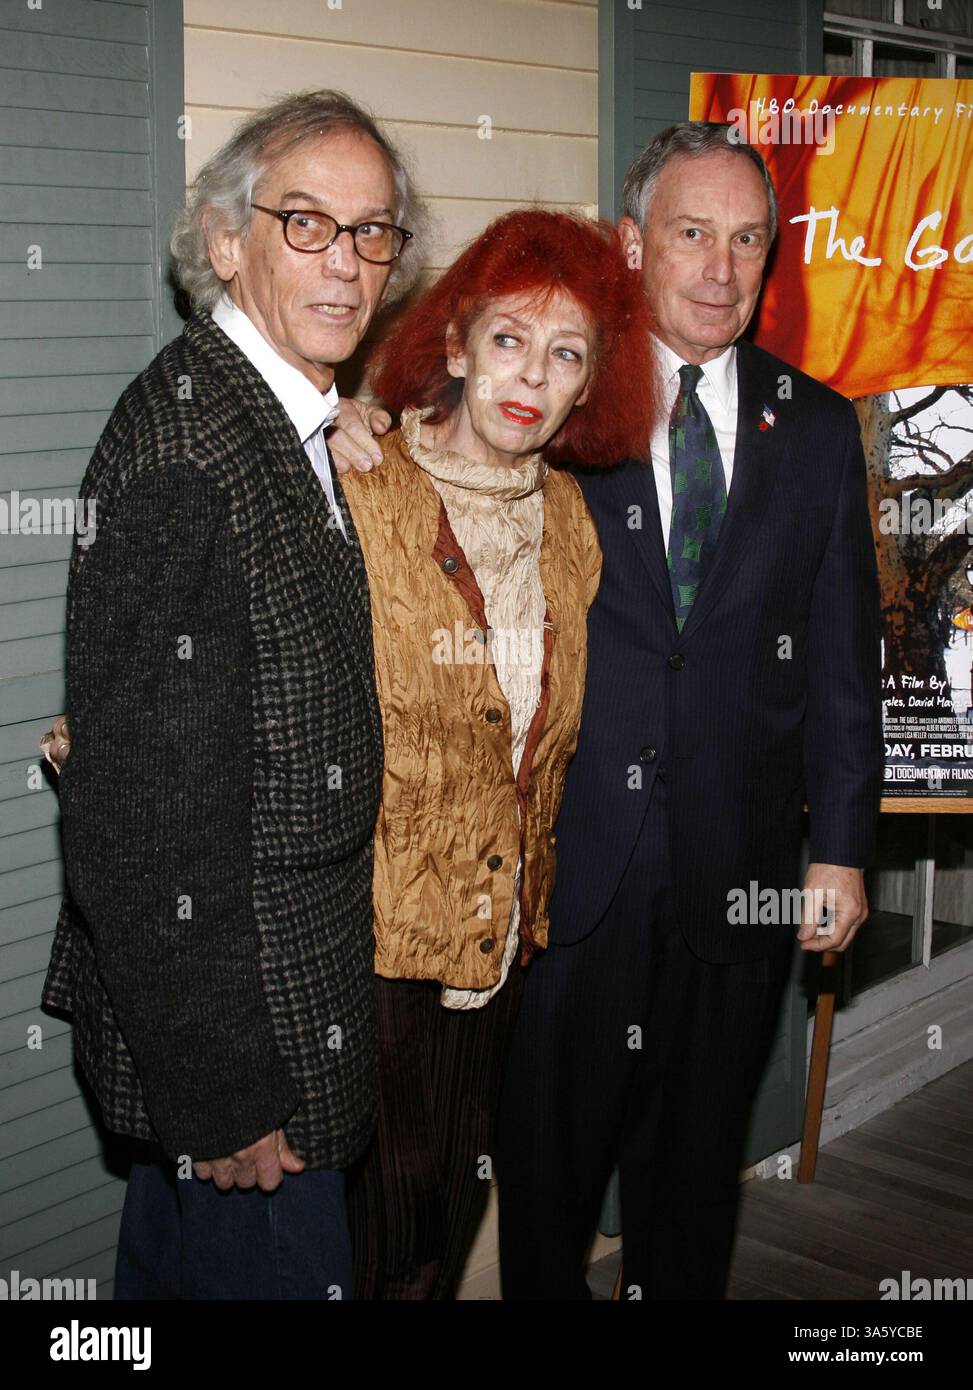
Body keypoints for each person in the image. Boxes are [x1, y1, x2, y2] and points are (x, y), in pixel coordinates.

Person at [40, 89, 425, 1301]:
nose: (348, 262)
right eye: (306, 223)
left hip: (269, 1001)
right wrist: (221, 1102)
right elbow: (142, 831)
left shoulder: (281, 416)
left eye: (372, 233)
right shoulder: (182, 452)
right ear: (224, 243)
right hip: (241, 1047)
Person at [493, 123, 884, 1299]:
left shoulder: (813, 427)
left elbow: (838, 656)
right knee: (548, 1187)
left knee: (694, 1181)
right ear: (631, 244)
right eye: (692, 234)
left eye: (748, 241)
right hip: (576, 880)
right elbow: (438, 466)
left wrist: (843, 850)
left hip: (741, 874)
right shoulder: (556, 396)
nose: (721, 269)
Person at [338, 209, 656, 1298]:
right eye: (510, 339)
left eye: (566, 353)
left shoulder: (570, 521)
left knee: (440, 1237)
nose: (533, 374)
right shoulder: (361, 483)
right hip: (375, 950)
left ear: (589, 384)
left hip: (506, 942)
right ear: (458, 343)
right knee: (374, 1248)